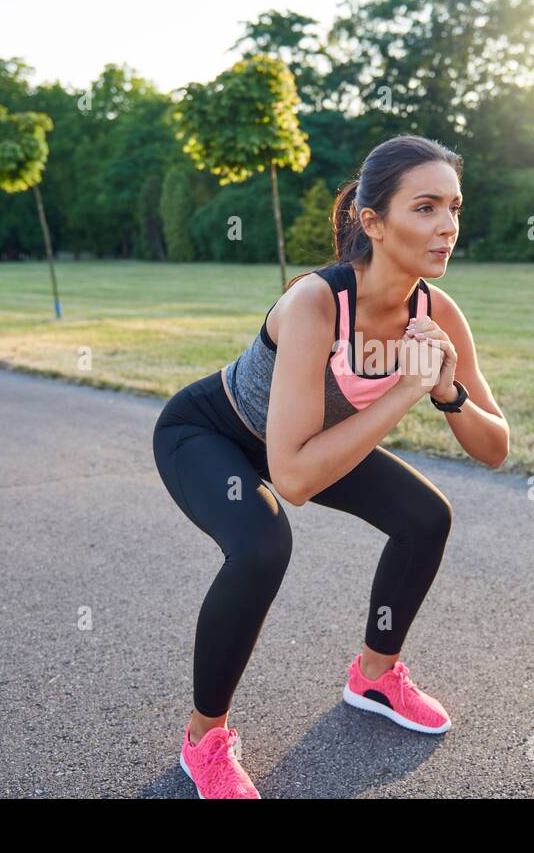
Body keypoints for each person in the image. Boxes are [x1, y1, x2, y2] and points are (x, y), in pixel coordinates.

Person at [153, 134, 509, 798]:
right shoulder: (316, 303)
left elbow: (495, 449)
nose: (449, 227)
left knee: (426, 517)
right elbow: (291, 480)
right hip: (212, 433)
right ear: (372, 222)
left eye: (454, 208)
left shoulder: (439, 313)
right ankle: (204, 740)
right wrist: (406, 388)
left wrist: (447, 391)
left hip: (308, 441)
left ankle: (375, 674)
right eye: (426, 208)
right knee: (261, 545)